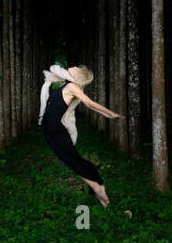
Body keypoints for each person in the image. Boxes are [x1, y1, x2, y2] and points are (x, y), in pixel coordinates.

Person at [38, 62, 123, 208]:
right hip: (51, 130)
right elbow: (53, 71)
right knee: (75, 160)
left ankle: (99, 189)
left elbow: (89, 103)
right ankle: (97, 186)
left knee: (73, 161)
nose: (74, 66)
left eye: (77, 67)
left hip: (56, 132)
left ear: (79, 75)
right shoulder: (66, 83)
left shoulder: (72, 87)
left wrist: (109, 113)